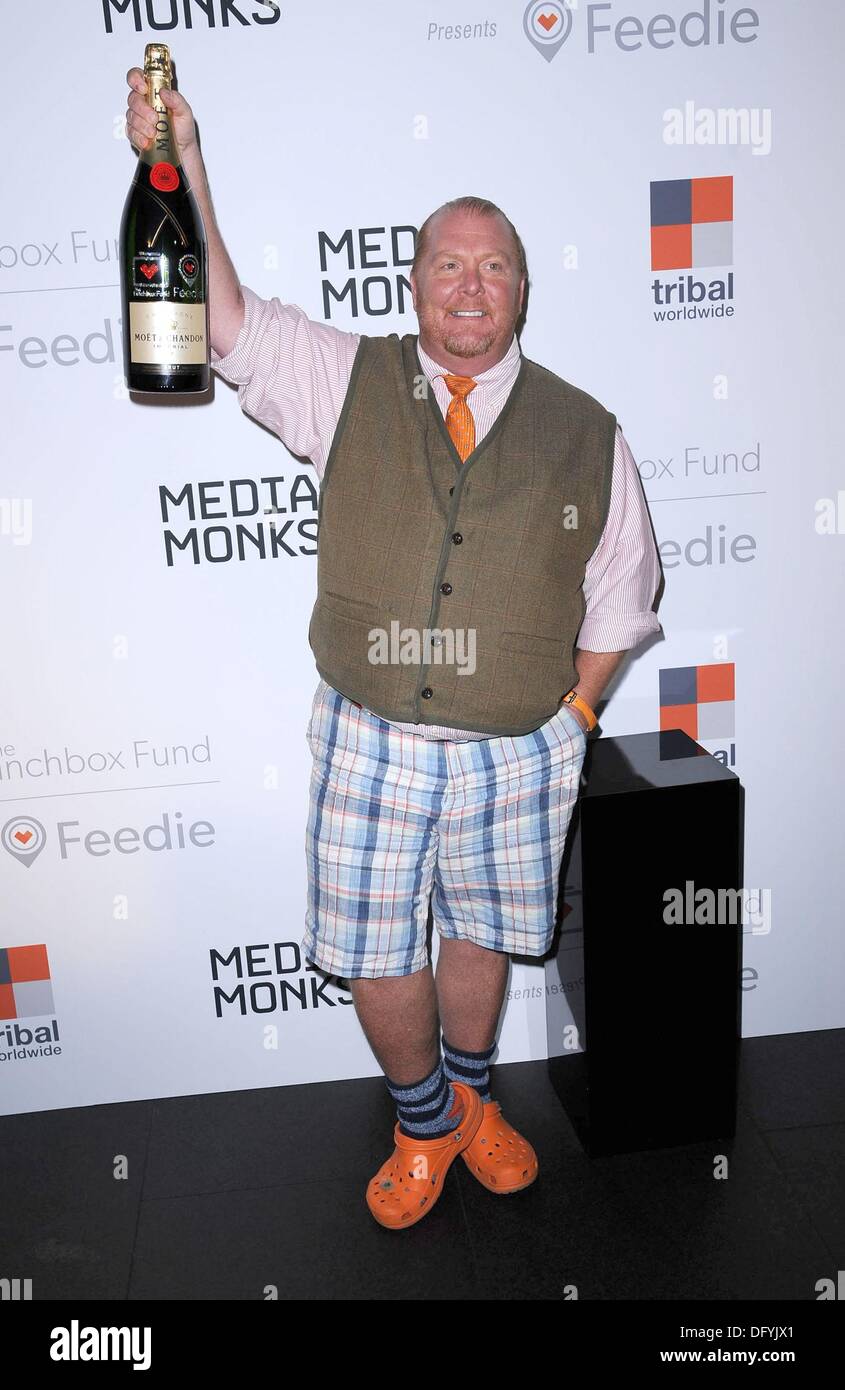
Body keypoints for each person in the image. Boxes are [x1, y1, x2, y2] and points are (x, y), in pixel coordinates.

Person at [125, 72, 663, 1231]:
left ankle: (473, 1103)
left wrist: (571, 717)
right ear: (411, 282)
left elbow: (621, 596)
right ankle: (424, 1121)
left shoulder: (587, 428)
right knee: (374, 946)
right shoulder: (346, 377)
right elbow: (220, 322)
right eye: (446, 264)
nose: (469, 285)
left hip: (519, 750)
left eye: (494, 265)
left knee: (479, 933)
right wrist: (185, 155)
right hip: (370, 736)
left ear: (522, 289)